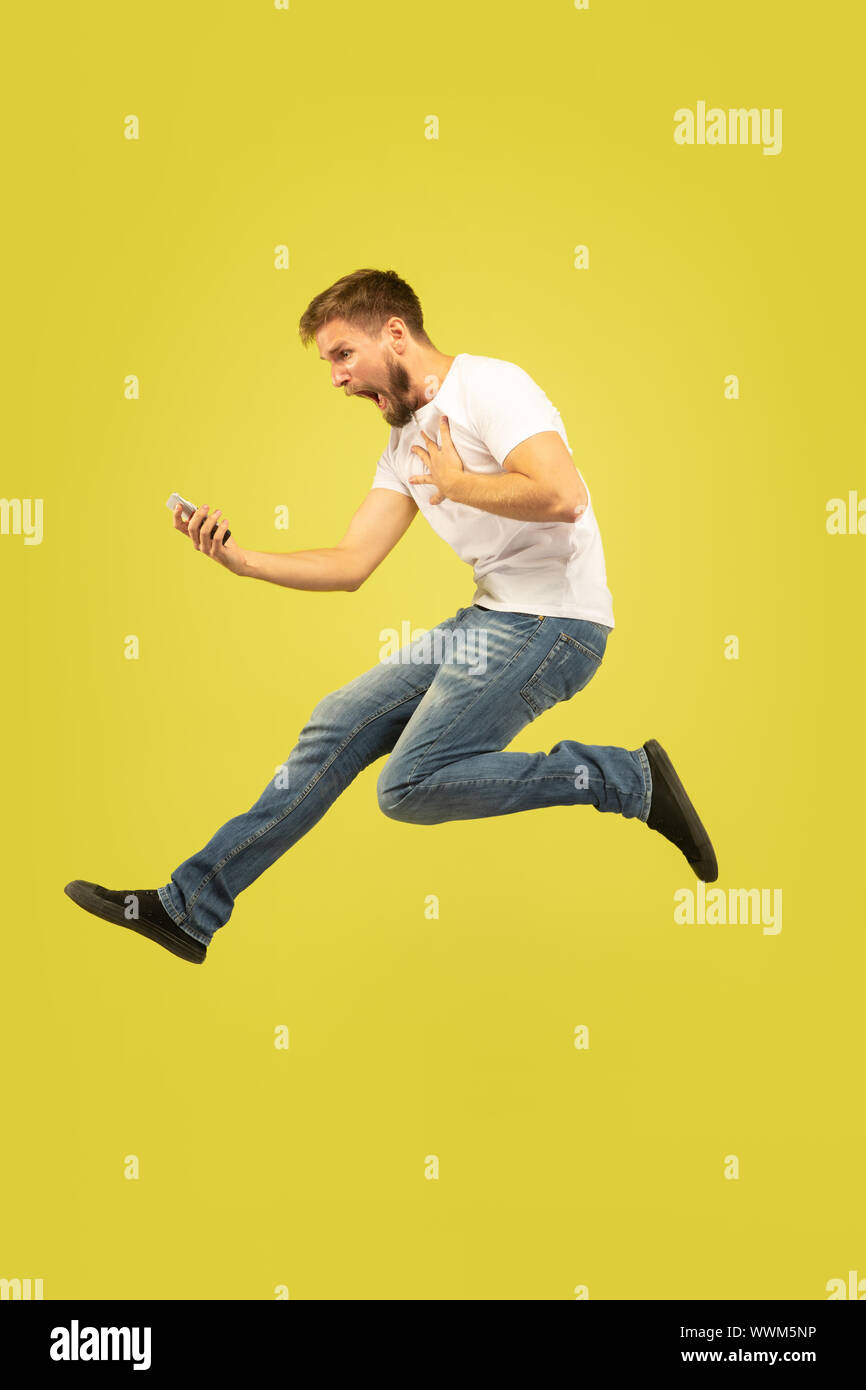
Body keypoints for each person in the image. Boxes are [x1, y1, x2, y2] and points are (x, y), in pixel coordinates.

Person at [65, 268, 718, 965]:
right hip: (491, 620)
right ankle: (188, 909)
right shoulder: (405, 445)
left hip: (556, 626)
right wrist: (241, 560)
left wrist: (461, 483)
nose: (338, 379)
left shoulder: (490, 387)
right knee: (335, 722)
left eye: (344, 355)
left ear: (397, 334)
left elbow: (563, 495)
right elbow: (350, 563)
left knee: (406, 786)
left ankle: (628, 781)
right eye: (330, 365)